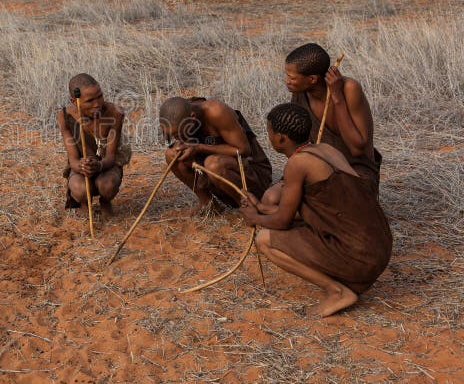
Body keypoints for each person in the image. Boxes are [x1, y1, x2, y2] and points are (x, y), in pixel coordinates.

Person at [240, 103, 392, 317]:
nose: (270, 137)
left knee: (264, 240)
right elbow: (320, 208)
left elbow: (283, 221)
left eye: (270, 133)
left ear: (281, 138)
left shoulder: (297, 164)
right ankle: (343, 281)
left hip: (360, 257)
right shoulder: (327, 150)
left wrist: (254, 217)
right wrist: (263, 208)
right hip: (380, 247)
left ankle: (337, 291)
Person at [284, 43, 381, 193]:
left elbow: (357, 149)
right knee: (271, 198)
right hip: (319, 168)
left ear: (312, 79)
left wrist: (337, 97)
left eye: (291, 78)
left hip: (355, 172)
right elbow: (298, 144)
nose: (287, 81)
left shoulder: (349, 89)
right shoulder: (300, 91)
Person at [159, 96, 272, 207]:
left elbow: (243, 150)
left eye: (178, 134)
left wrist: (199, 148)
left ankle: (247, 206)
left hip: (253, 174)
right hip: (219, 176)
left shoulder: (216, 112)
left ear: (192, 118)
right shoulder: (182, 114)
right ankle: (208, 204)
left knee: (213, 164)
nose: (177, 139)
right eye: (172, 135)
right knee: (172, 154)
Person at [57, 74, 131, 213]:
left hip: (106, 166)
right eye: (90, 100)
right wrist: (81, 166)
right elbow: (73, 160)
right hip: (81, 168)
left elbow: (110, 157)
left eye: (100, 96)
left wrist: (98, 165)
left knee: (107, 186)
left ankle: (105, 201)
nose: (97, 104)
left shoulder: (115, 113)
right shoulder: (64, 117)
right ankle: (84, 203)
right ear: (74, 101)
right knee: (80, 189)